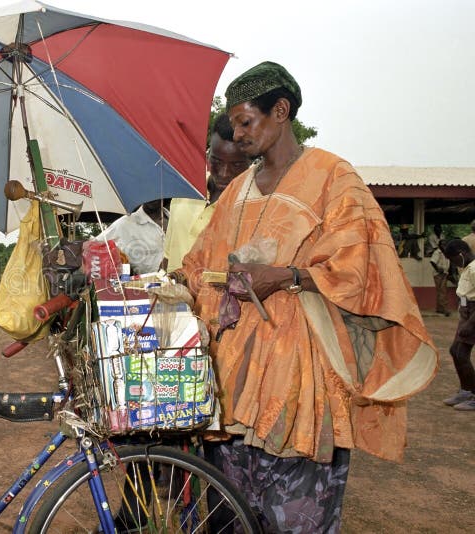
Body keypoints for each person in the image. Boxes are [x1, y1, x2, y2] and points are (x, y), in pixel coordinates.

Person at [178, 61, 438, 532]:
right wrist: (165, 282)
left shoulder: (333, 178)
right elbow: (198, 262)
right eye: (233, 124)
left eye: (245, 121)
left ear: (281, 111)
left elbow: (366, 269)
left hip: (302, 379)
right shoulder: (237, 190)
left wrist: (285, 275)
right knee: (233, 511)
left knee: (298, 516)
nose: (236, 135)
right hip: (233, 380)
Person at [163, 112, 251, 271]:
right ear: (208, 154)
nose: (224, 173)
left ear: (250, 162)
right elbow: (168, 257)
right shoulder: (185, 189)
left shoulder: (254, 208)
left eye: (236, 165)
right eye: (216, 161)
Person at [441, 239, 475, 410]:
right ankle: (466, 390)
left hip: (472, 314)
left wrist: (470, 323)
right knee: (455, 351)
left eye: (453, 259)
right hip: (466, 312)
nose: (453, 263)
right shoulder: (467, 269)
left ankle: (473, 394)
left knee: (461, 353)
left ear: (461, 254)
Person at [95, 200, 166, 274]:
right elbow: (93, 245)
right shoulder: (124, 223)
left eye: (154, 190)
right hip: (143, 283)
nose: (152, 196)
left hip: (176, 281)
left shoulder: (174, 218)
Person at [430, 239, 451, 316]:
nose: (444, 246)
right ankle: (444, 309)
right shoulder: (437, 252)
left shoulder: (446, 253)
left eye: (445, 244)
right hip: (439, 274)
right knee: (442, 291)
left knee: (440, 291)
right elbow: (432, 261)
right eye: (442, 244)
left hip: (445, 273)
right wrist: (438, 269)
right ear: (439, 245)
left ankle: (439, 308)